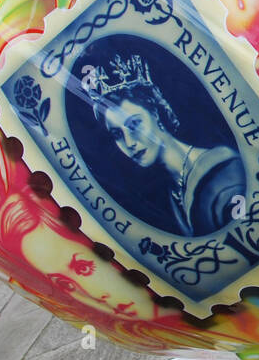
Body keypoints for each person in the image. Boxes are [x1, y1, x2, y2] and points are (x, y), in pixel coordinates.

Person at [81, 54, 245, 238]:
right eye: (117, 134)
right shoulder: (171, 192)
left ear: (156, 113)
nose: (129, 143)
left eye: (134, 125)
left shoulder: (224, 173)